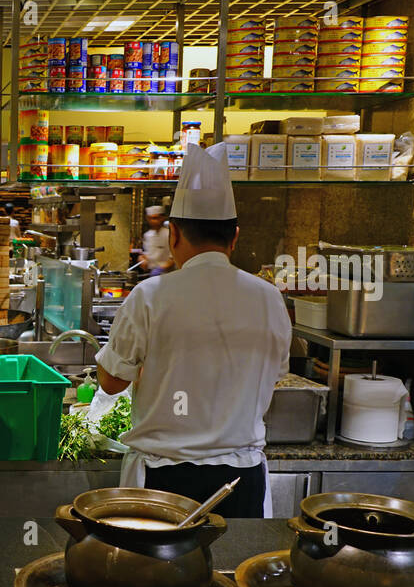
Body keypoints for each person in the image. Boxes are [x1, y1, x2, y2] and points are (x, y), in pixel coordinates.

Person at [94, 143, 291, 518]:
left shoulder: (150, 296)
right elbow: (274, 374)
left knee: (157, 575)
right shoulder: (269, 299)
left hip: (162, 483)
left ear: (174, 235)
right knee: (236, 573)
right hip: (241, 483)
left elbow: (110, 383)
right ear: (234, 238)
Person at [138, 204, 173, 275]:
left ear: (163, 218)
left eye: (156, 218)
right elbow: (146, 254)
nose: (153, 221)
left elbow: (173, 258)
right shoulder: (147, 235)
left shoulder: (169, 234)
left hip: (167, 274)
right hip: (150, 273)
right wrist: (142, 258)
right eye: (150, 218)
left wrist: (161, 269)